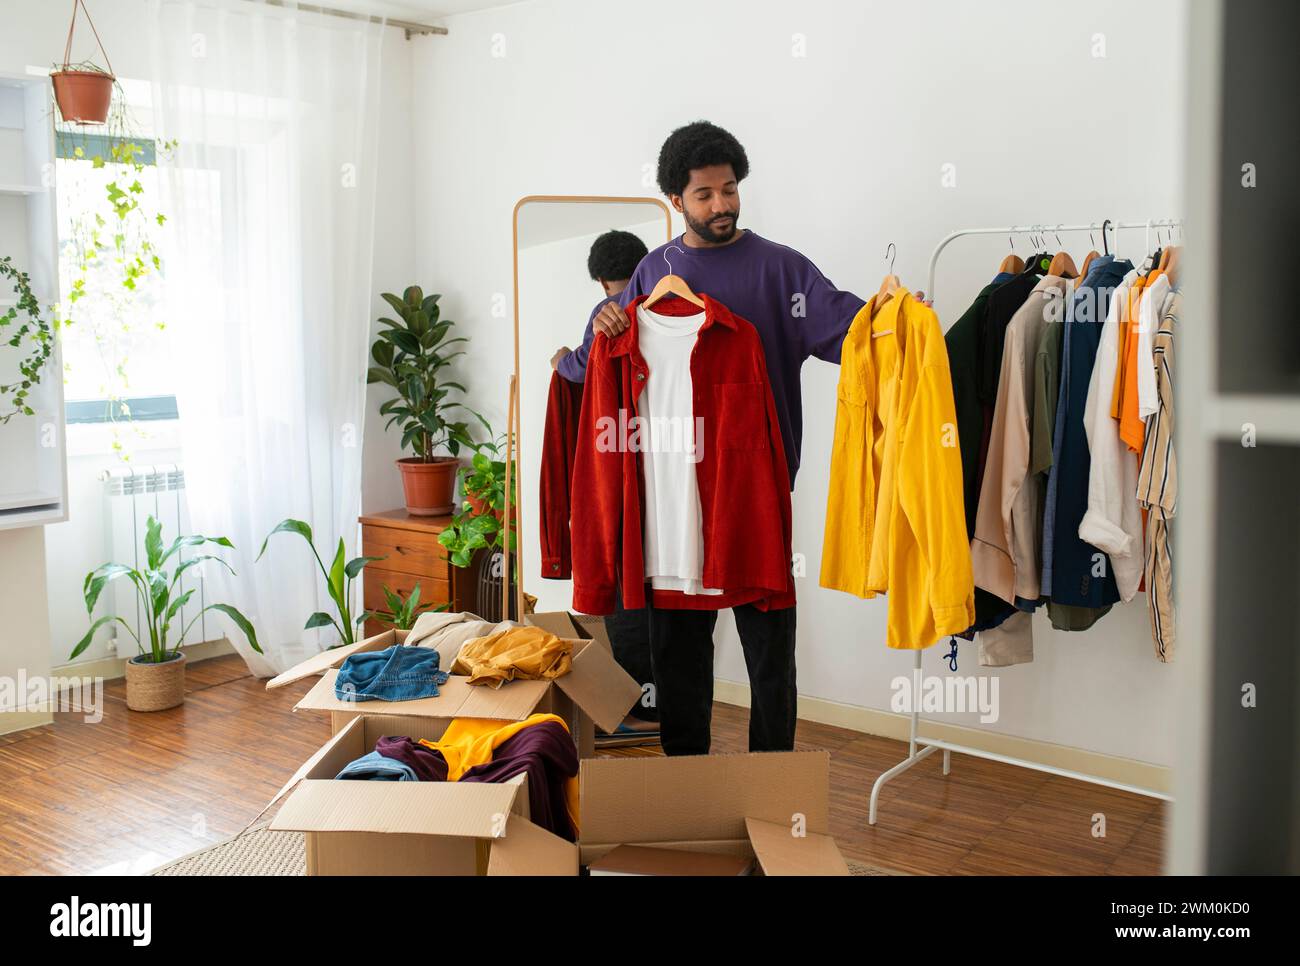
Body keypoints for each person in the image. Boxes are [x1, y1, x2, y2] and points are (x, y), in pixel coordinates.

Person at [580, 120, 868, 756]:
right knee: (680, 660)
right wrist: (597, 323)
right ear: (676, 201)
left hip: (755, 494)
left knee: (771, 660)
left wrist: (893, 322)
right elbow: (600, 358)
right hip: (672, 497)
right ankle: (692, 787)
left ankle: (772, 785)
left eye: (730, 190)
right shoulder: (654, 269)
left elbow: (848, 329)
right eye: (705, 195)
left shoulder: (780, 268)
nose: (722, 206)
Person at [550, 230, 660, 736]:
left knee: (623, 581)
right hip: (662, 461)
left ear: (599, 278)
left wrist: (559, 359)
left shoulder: (607, 315)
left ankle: (642, 708)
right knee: (658, 585)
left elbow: (580, 367)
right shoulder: (660, 305)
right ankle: (663, 702)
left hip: (617, 464)